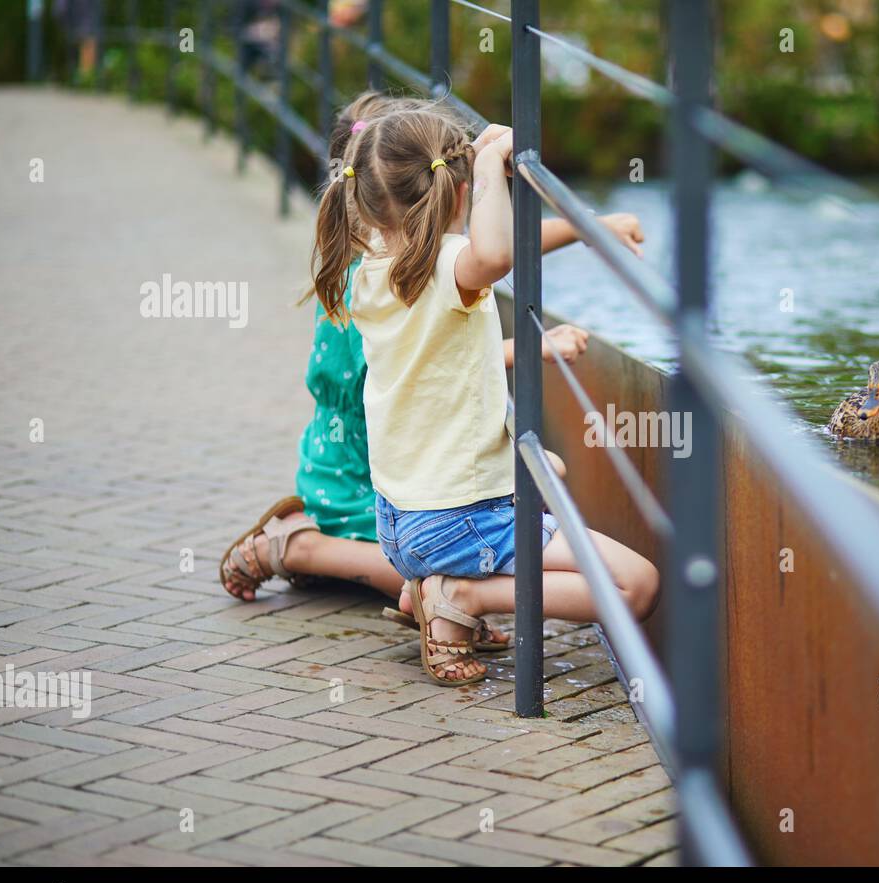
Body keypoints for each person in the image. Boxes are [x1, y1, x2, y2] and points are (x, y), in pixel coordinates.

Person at [220, 92, 645, 659]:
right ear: (457, 191)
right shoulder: (446, 269)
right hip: (426, 510)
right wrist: (495, 164)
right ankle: (456, 596)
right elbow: (492, 256)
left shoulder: (365, 271)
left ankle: (443, 594)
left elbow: (452, 328)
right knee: (635, 583)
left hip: (399, 517)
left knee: (550, 469)